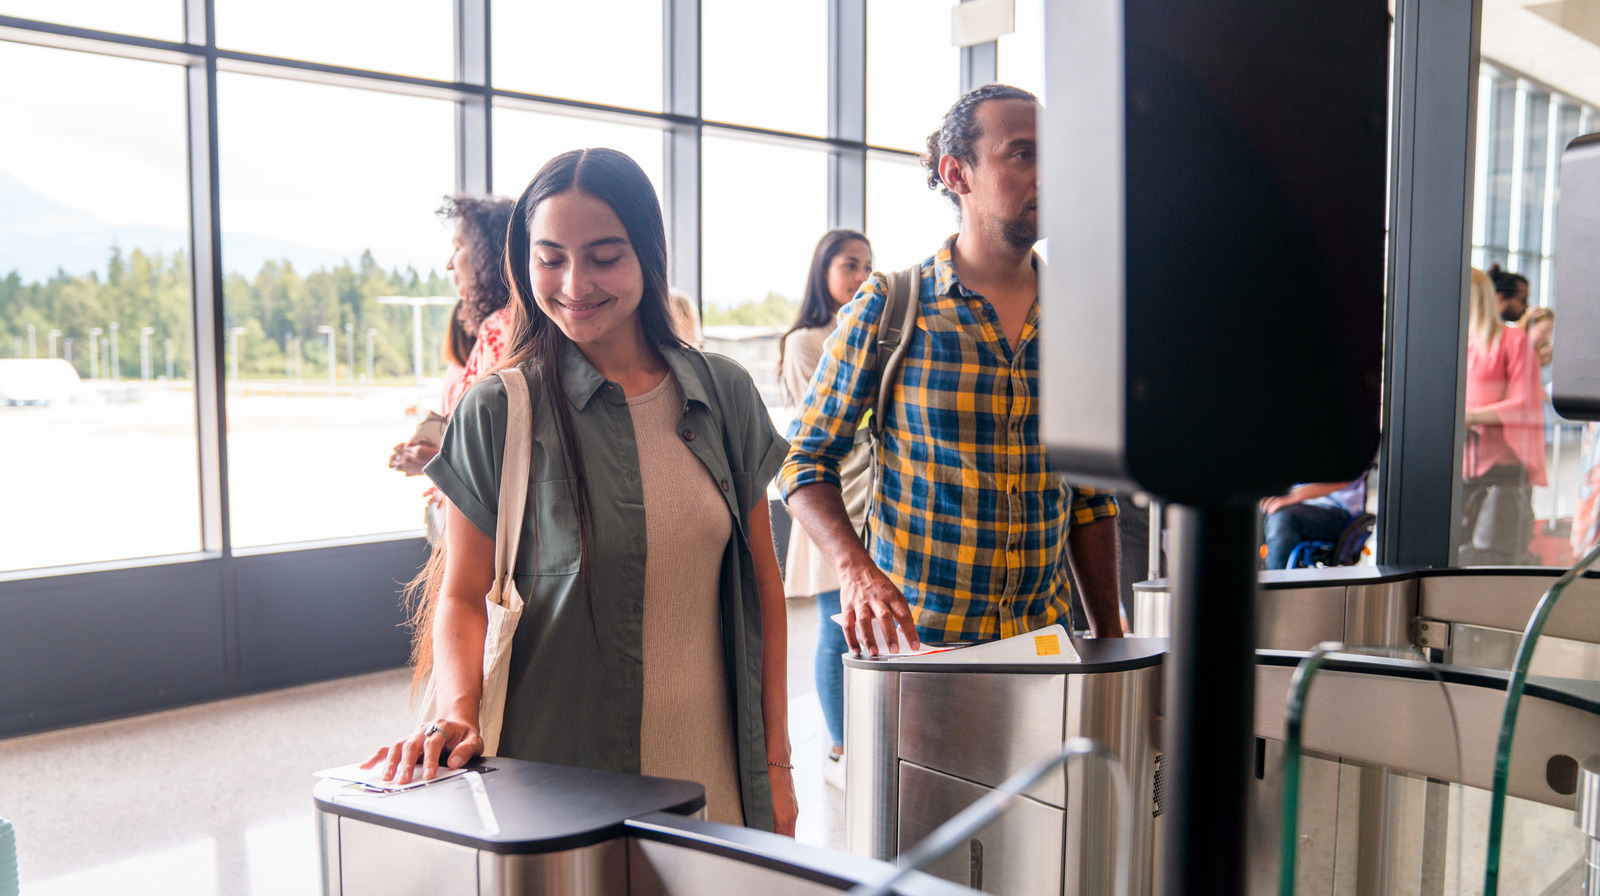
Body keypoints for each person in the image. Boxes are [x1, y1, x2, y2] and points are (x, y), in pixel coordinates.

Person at [363, 148, 797, 835]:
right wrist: (456, 711)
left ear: (648, 257)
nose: (574, 282)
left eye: (604, 255)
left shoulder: (725, 393)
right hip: (557, 779)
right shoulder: (500, 410)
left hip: (716, 768)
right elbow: (460, 591)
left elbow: (762, 587)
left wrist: (775, 764)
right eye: (550, 257)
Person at [781, 84, 1122, 656]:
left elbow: (1088, 498)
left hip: (1047, 645)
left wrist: (1112, 639)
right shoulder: (891, 306)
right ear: (956, 173)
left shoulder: (1078, 316)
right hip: (923, 647)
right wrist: (856, 570)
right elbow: (805, 461)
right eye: (1022, 154)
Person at [777, 229, 872, 776]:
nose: (860, 276)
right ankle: (839, 741)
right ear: (823, 270)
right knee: (834, 625)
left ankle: (862, 734)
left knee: (863, 627)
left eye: (867, 265)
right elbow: (831, 423)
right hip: (829, 494)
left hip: (870, 493)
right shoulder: (806, 341)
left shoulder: (871, 329)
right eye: (849, 265)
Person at [388, 194, 515, 478]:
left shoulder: (500, 328)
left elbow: (495, 459)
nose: (450, 264)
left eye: (458, 247)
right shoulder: (515, 325)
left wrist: (436, 461)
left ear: (486, 255)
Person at [1461, 266, 1546, 565]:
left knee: (1490, 561)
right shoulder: (1456, 344)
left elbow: (1524, 403)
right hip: (1455, 472)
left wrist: (1470, 416)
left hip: (1501, 473)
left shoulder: (1514, 342)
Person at [1259, 479, 1366, 569]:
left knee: (1283, 517)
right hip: (1300, 506)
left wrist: (1291, 495)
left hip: (1337, 511)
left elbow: (1341, 479)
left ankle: (1277, 586)